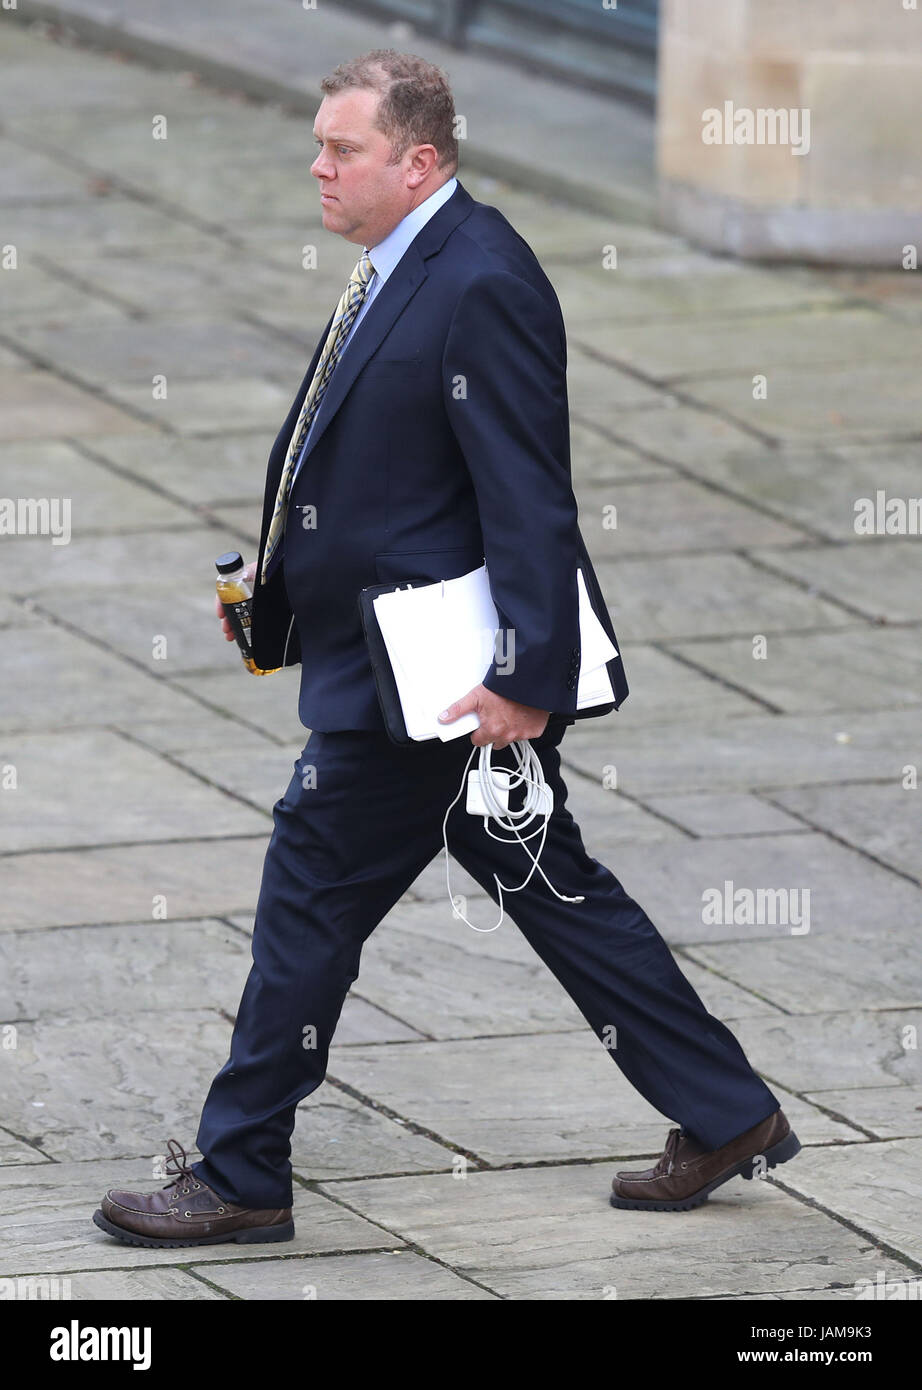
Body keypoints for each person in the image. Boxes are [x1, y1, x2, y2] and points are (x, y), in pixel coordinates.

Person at [93, 49, 799, 1250]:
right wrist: (278, 596)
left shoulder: (479, 278)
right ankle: (725, 1110)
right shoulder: (399, 264)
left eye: (343, 149)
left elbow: (529, 493)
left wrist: (527, 677)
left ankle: (240, 1169)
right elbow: (375, 470)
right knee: (541, 871)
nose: (317, 166)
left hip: (433, 686)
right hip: (395, 656)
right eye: (318, 142)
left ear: (418, 160)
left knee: (307, 896)